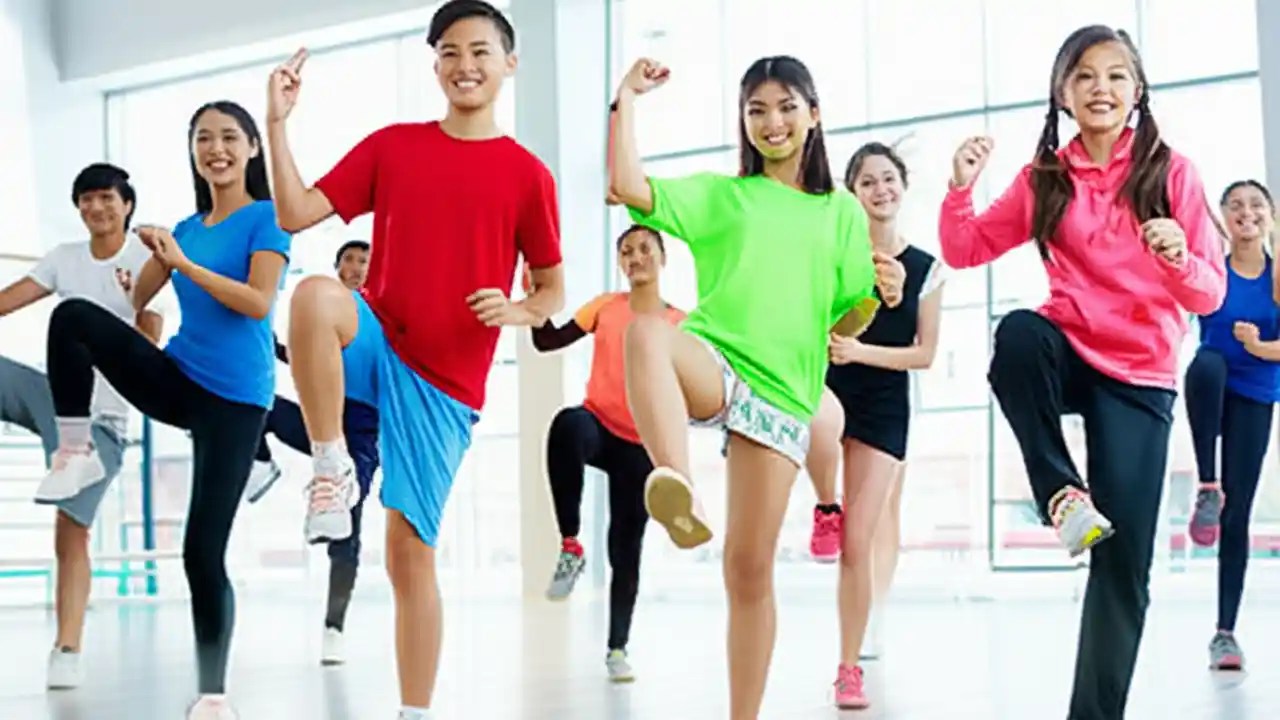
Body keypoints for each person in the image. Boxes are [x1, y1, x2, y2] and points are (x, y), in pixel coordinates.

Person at [264, 2, 564, 718]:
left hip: (444, 382)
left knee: (407, 555)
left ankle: (415, 711)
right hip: (378, 334)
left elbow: (552, 288)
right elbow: (295, 213)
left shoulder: (528, 175)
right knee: (313, 296)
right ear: (435, 64)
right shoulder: (394, 146)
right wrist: (276, 124)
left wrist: (520, 310)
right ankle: (332, 467)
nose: (466, 64)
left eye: (481, 52)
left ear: (508, 64)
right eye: (451, 52)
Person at [937, 26, 1224, 719]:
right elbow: (966, 247)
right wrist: (958, 190)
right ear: (1063, 93)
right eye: (1085, 76)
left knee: (1122, 567)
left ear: (1138, 90)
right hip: (1067, 350)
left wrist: (1178, 257)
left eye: (1117, 76)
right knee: (1017, 335)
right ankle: (1061, 493)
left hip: (1141, 376)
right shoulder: (1047, 179)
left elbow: (1208, 295)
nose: (1101, 88)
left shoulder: (1172, 173)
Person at [609, 53, 904, 720]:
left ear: (813, 114)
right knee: (645, 333)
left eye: (785, 106)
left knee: (747, 569)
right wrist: (626, 98)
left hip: (782, 395)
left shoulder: (841, 212)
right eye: (756, 110)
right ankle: (675, 480)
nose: (771, 122)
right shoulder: (724, 195)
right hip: (716, 361)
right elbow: (628, 185)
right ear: (744, 121)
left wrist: (881, 295)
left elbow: (846, 314)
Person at [39, 101, 291, 720]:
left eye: (229, 137)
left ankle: (213, 695)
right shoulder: (188, 225)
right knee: (71, 316)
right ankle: (75, 452)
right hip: (179, 378)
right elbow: (135, 300)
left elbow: (258, 303)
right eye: (203, 138)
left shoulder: (268, 219)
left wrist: (182, 263)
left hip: (235, 400)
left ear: (252, 147)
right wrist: (146, 258)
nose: (216, 148)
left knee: (201, 553)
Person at [0, 163, 160, 689]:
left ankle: (67, 648)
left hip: (103, 424)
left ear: (126, 204)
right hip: (54, 399)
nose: (96, 208)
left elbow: (152, 325)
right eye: (86, 200)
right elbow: (11, 299)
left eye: (106, 198)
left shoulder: (144, 257)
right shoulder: (64, 259)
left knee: (71, 532)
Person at [816, 141, 944, 708]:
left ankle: (848, 666)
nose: (880, 189)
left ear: (903, 185)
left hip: (884, 404)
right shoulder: (834, 256)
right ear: (853, 193)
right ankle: (823, 505)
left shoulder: (927, 267)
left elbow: (924, 354)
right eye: (867, 182)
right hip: (826, 392)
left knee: (858, 537)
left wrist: (858, 352)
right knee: (837, 512)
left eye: (888, 179)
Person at [535, 224, 684, 683]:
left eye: (644, 249)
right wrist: (536, 301)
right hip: (598, 424)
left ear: (662, 258)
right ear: (620, 262)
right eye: (626, 251)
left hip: (640, 445)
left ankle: (618, 648)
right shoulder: (605, 306)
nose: (635, 257)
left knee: (625, 548)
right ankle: (570, 546)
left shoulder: (680, 323)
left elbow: (688, 393)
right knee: (567, 424)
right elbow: (548, 341)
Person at [243, 239, 376, 666]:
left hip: (361, 431)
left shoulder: (382, 317)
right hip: (321, 416)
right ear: (337, 268)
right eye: (348, 261)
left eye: (364, 262)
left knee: (348, 534)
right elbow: (302, 358)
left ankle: (334, 626)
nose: (355, 268)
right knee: (254, 403)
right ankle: (261, 465)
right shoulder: (322, 314)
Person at [1183, 179, 1279, 671]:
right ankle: (1206, 484)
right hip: (1212, 389)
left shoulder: (1279, 276)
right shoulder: (1211, 275)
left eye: (1256, 205)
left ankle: (1225, 634)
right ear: (1223, 216)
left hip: (1257, 397)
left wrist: (1261, 347)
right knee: (1206, 362)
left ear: (1271, 214)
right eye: (1236, 205)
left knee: (1238, 516)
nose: (1247, 212)